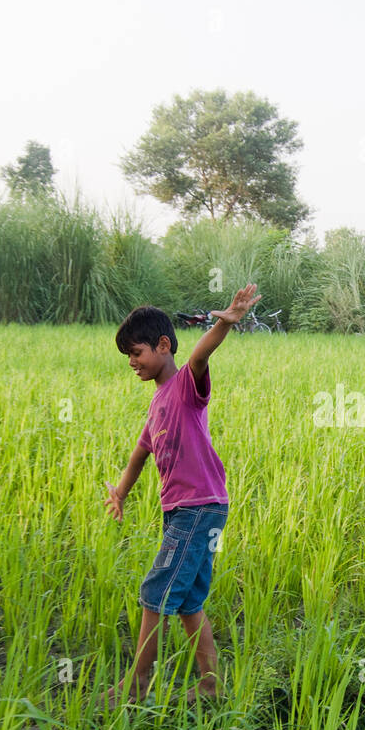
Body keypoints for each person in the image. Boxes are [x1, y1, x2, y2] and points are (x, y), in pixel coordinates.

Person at [103, 284, 258, 705]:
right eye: (128, 357)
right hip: (189, 511)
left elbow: (200, 355)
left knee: (155, 593)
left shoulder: (186, 387)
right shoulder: (156, 404)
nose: (132, 363)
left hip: (198, 508)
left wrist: (223, 323)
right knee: (189, 600)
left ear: (163, 345)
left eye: (136, 353)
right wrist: (119, 492)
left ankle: (137, 684)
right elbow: (140, 453)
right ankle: (212, 684)